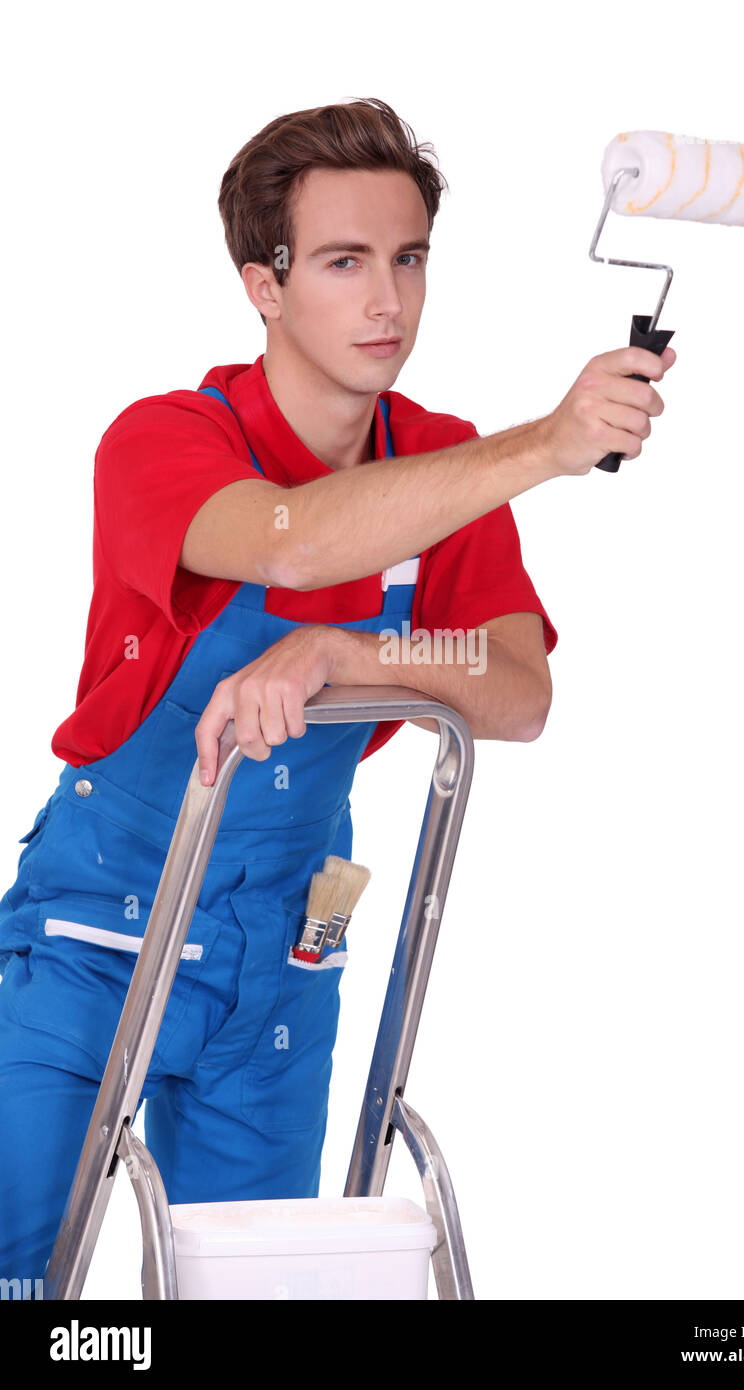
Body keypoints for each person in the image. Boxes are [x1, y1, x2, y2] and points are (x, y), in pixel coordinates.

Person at [0, 96, 675, 1285]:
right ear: (263, 286)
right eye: (343, 262)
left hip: (281, 963)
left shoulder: (439, 461)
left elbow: (514, 689)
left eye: (408, 259)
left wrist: (350, 658)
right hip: (95, 940)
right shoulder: (160, 441)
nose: (387, 302)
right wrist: (547, 443)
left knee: (253, 1293)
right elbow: (294, 545)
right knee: (22, 1280)